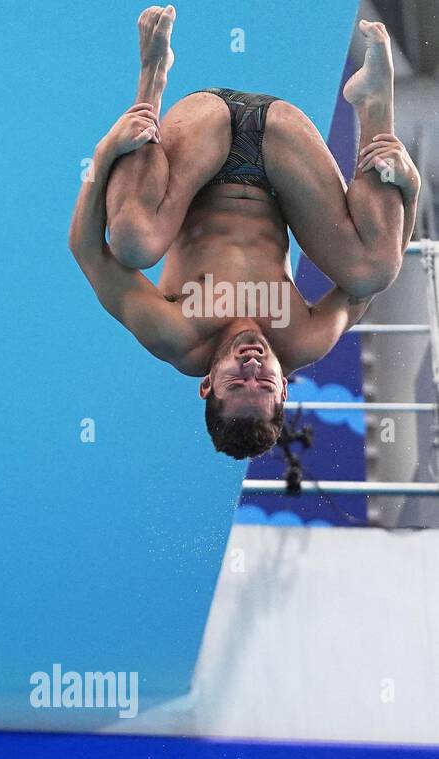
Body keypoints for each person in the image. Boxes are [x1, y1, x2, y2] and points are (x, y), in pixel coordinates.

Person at [69, 8, 421, 459]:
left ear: (207, 384)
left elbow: (87, 251)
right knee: (370, 270)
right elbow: (376, 279)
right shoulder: (304, 339)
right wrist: (407, 192)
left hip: (203, 136)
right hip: (281, 146)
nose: (252, 364)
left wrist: (105, 152)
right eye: (265, 380)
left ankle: (151, 81)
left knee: (132, 243)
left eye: (237, 380)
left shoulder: (173, 334)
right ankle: (375, 106)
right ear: (285, 388)